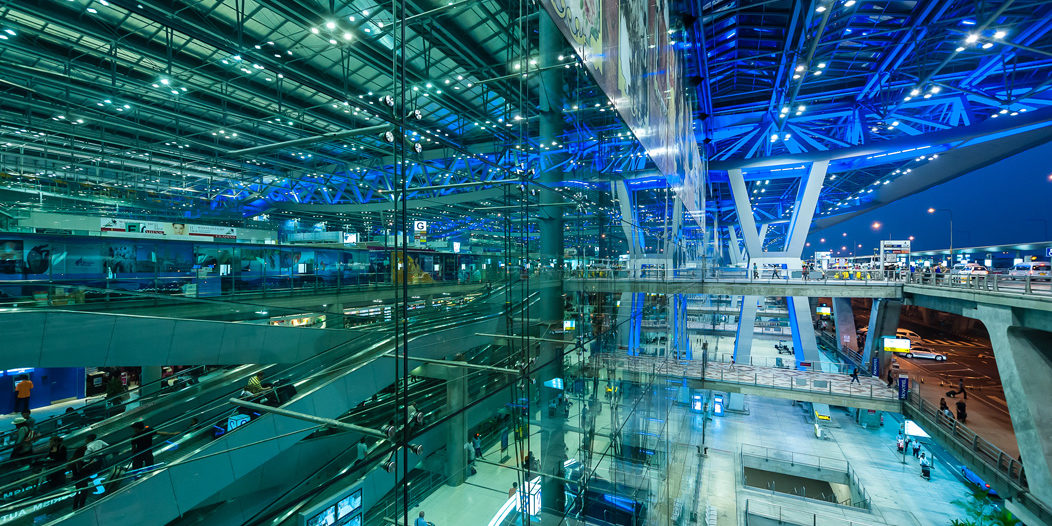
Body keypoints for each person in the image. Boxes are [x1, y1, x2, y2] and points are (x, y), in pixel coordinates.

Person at [71, 445, 91, 510]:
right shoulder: (79, 461)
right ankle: (80, 506)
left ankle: (76, 506)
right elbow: (80, 470)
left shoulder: (75, 459)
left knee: (79, 492)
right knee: (83, 492)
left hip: (79, 479)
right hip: (81, 478)